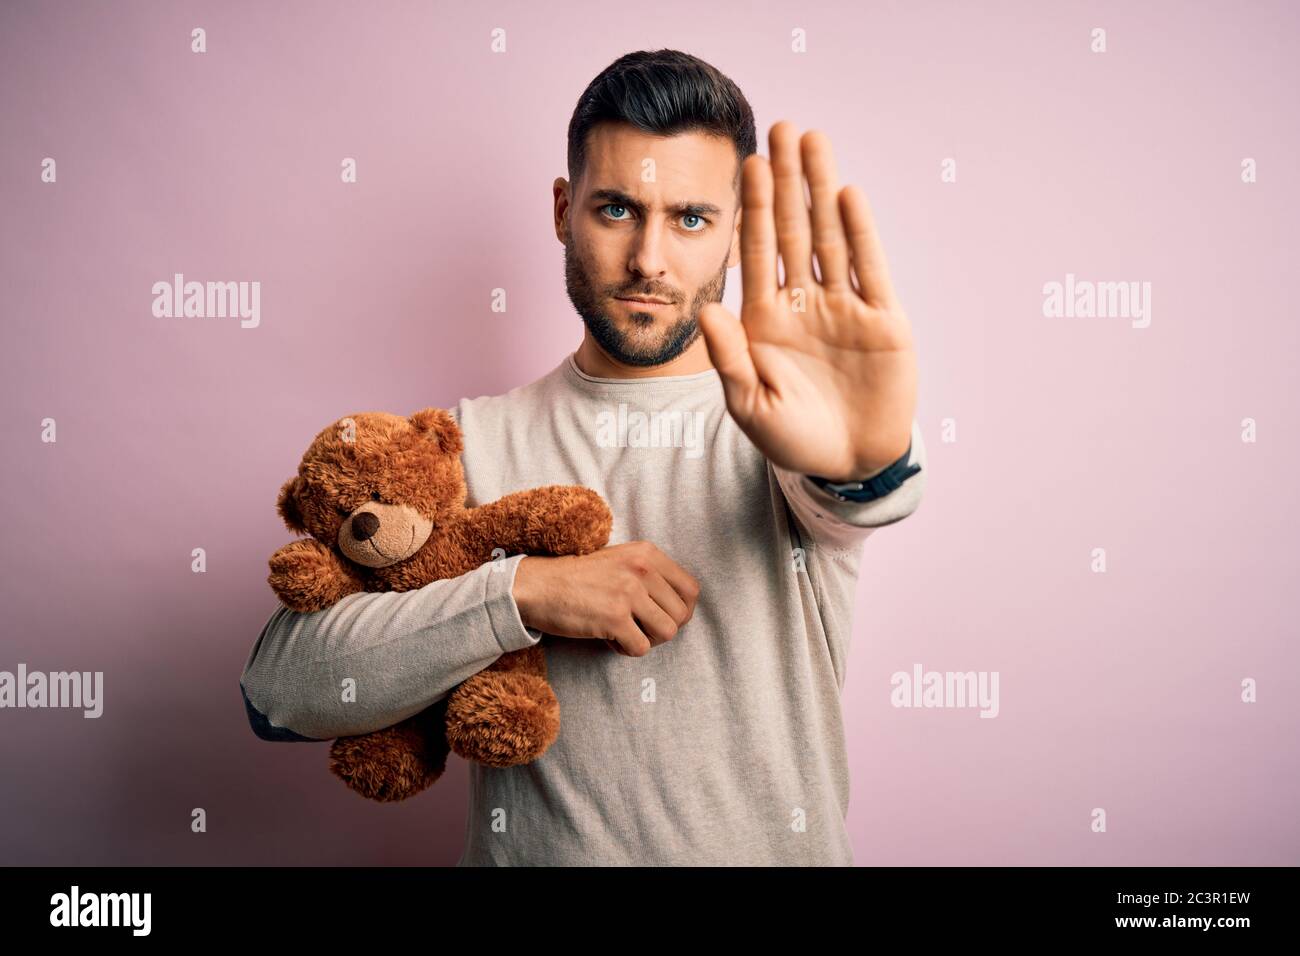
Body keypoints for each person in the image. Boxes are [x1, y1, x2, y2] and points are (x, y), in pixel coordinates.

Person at [239, 48, 926, 866]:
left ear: (737, 231)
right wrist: (523, 591)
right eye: (615, 210)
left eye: (691, 218)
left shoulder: (786, 437)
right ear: (563, 209)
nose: (648, 259)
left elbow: (854, 492)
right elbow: (276, 697)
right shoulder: (462, 445)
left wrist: (864, 461)